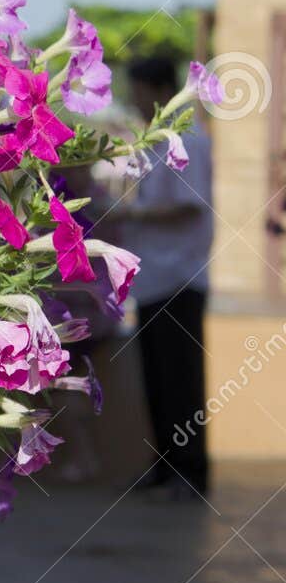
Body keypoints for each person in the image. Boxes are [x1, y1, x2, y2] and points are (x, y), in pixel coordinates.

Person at [117, 55, 214, 500]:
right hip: (156, 277)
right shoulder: (155, 142)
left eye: (136, 89)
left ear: (159, 90)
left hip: (180, 277)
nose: (130, 99)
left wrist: (132, 212)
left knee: (181, 381)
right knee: (157, 379)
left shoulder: (188, 140)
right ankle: (164, 466)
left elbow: (191, 204)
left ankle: (190, 474)